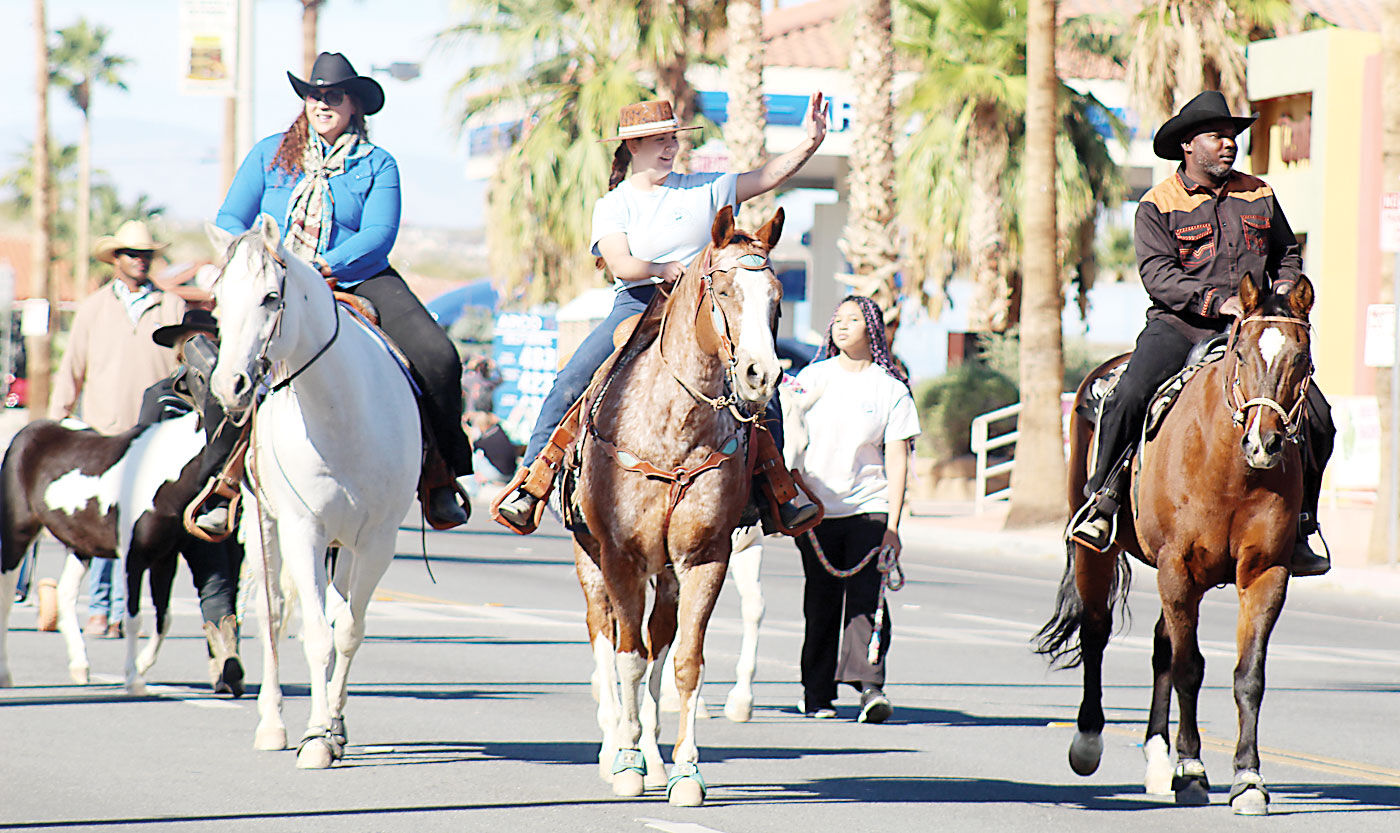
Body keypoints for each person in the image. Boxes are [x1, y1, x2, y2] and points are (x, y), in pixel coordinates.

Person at [492, 96, 830, 534]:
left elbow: (766, 177)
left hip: (704, 306)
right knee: (572, 380)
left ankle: (777, 490)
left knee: (764, 382)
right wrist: (659, 268)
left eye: (672, 139)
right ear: (633, 147)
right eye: (658, 141)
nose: (669, 147)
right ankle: (532, 480)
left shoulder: (707, 186)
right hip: (639, 302)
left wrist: (810, 141)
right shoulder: (615, 204)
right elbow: (620, 263)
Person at [1068, 90, 1335, 577]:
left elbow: (1287, 254)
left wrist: (1280, 292)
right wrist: (1216, 301)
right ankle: (1103, 502)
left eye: (1231, 136)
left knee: (1318, 416)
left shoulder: (1259, 193)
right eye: (1217, 136)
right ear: (1189, 146)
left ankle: (1300, 525)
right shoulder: (1156, 205)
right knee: (1129, 394)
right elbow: (1158, 275)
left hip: (1254, 332)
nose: (1229, 144)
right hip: (1180, 325)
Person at [214, 51, 471, 530]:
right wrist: (256, 255)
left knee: (439, 357)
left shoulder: (378, 164)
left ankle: (440, 474)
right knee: (222, 359)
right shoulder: (269, 154)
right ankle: (218, 482)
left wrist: (323, 265)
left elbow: (378, 233)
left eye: (334, 95)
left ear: (355, 105)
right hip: (274, 276)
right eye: (314, 94)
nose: (322, 103)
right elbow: (230, 217)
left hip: (356, 274)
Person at [50, 219, 187, 638]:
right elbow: (72, 366)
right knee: (107, 522)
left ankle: (127, 611)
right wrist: (59, 420)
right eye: (131, 254)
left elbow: (184, 369)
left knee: (149, 527)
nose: (140, 261)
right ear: (116, 259)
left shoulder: (171, 307)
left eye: (146, 255)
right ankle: (101, 609)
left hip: (155, 435)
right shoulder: (94, 308)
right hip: (104, 432)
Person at [792, 295, 919, 723]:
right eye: (837, 319)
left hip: (870, 508)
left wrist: (894, 526)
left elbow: (898, 457)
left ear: (872, 328)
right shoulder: (811, 379)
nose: (841, 326)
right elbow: (787, 431)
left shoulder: (890, 388)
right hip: (816, 510)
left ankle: (870, 687)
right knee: (822, 599)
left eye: (853, 319)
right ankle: (817, 693)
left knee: (868, 598)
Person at [137, 309, 245, 695]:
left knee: (218, 584)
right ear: (181, 350)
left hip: (211, 506)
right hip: (165, 509)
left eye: (209, 340)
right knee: (151, 579)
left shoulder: (234, 399)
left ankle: (224, 661)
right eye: (194, 341)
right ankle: (136, 645)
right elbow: (142, 448)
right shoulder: (160, 394)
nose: (202, 349)